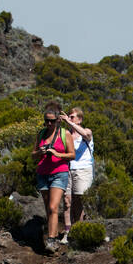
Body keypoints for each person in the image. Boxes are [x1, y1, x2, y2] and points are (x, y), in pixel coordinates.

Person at [32, 102, 75, 252]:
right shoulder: (41, 134)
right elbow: (33, 154)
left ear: (58, 120)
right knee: (47, 208)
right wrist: (40, 153)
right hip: (43, 173)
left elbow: (72, 155)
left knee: (53, 206)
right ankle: (53, 235)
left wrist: (57, 154)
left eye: (51, 120)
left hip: (59, 172)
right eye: (46, 120)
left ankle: (51, 240)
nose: (48, 123)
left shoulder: (65, 134)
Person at [60, 107, 93, 242]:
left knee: (79, 199)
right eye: (69, 116)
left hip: (83, 169)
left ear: (79, 119)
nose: (70, 118)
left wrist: (69, 123)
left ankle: (79, 228)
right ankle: (68, 232)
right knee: (67, 201)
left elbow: (85, 135)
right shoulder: (67, 134)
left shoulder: (87, 132)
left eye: (72, 117)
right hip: (67, 169)